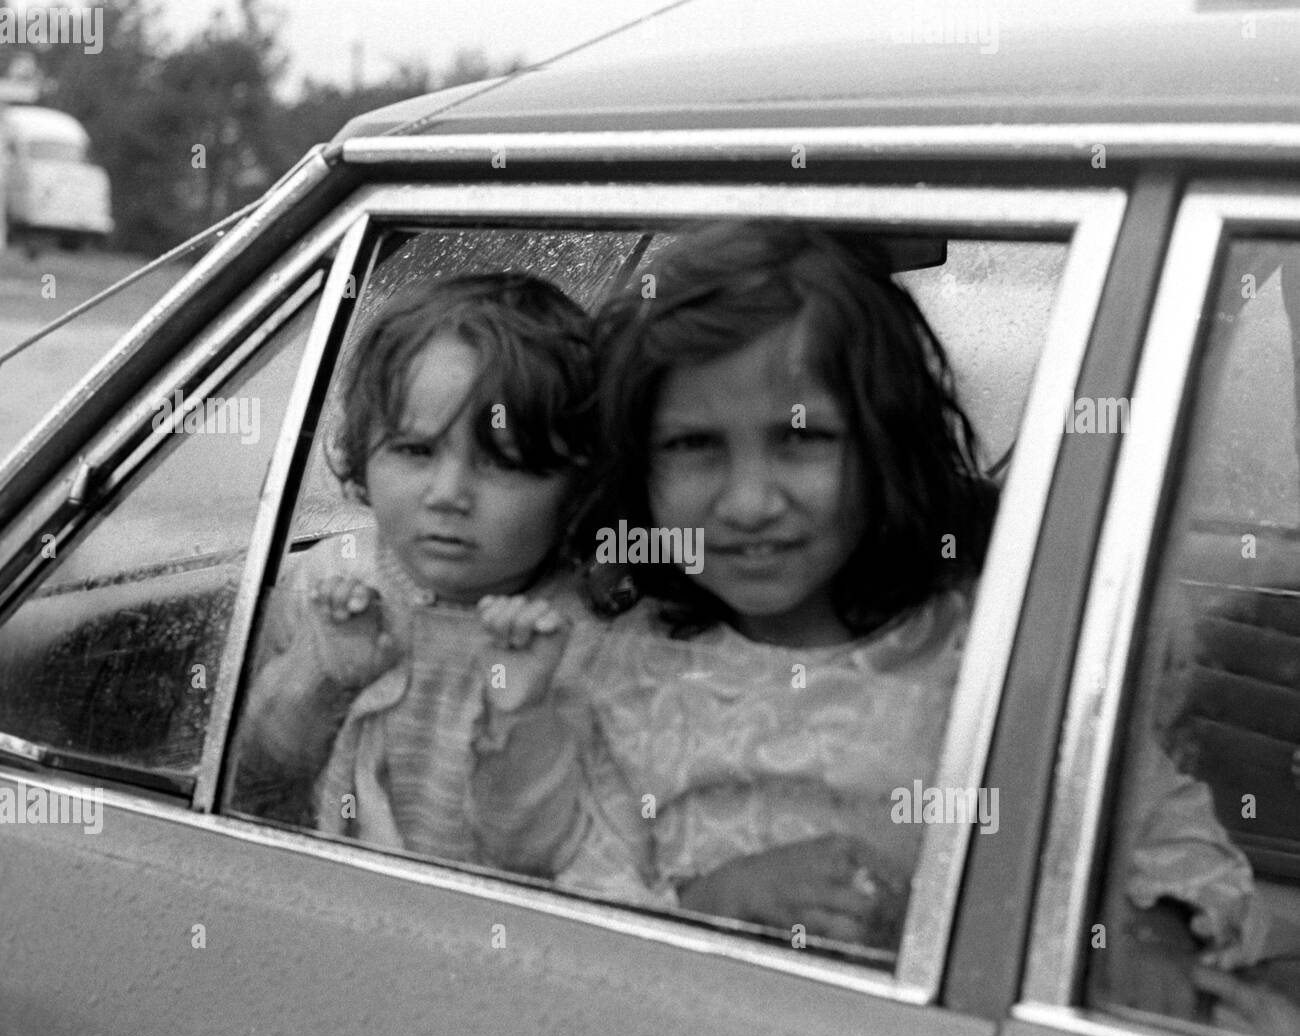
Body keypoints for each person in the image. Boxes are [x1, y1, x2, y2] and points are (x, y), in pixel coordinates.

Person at [484, 221, 1285, 974]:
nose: (750, 501)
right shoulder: (613, 666)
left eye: (801, 439)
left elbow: (1169, 842)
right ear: (638, 468)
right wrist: (718, 903)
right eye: (694, 445)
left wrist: (1156, 940)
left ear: (884, 446)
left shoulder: (1000, 655)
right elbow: (567, 909)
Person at [227, 271, 600, 874]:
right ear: (362, 452)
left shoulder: (580, 636)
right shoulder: (333, 577)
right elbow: (261, 769)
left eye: (502, 463)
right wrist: (319, 674)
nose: (449, 495)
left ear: (576, 486)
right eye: (415, 451)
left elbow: (549, 854)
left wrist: (521, 714)